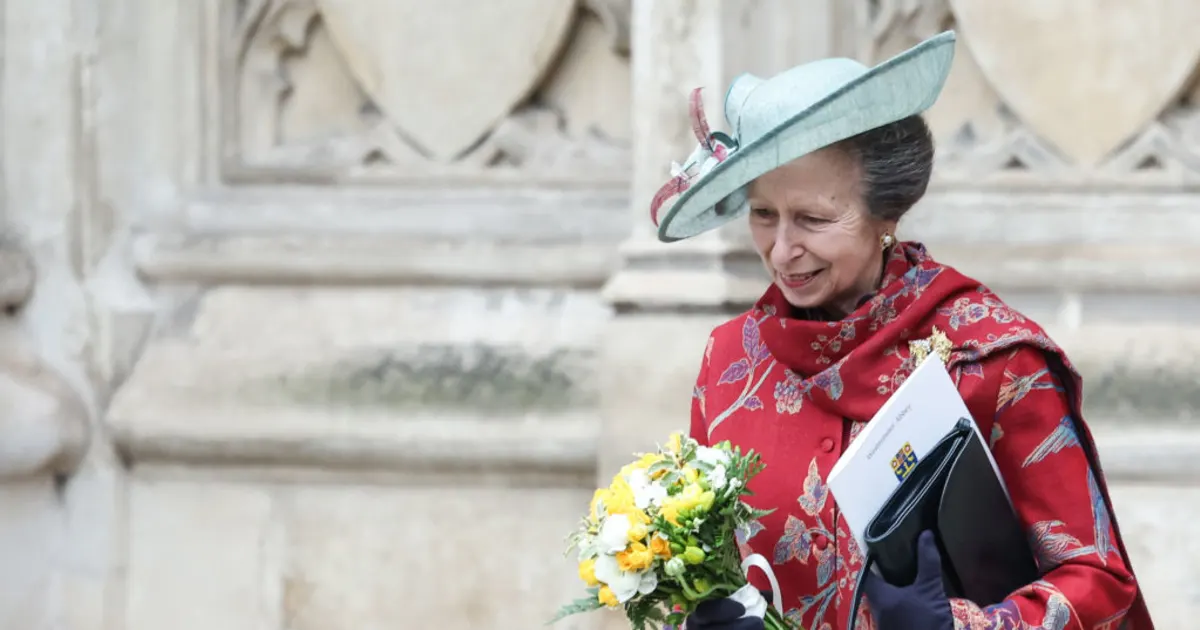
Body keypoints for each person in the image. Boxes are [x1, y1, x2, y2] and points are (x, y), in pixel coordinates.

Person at [648, 31, 1155, 630]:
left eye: (812, 218)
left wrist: (963, 627)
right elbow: (705, 562)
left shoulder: (995, 360)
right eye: (764, 215)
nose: (782, 251)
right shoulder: (728, 360)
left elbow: (1099, 579)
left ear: (886, 212)